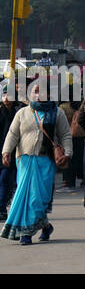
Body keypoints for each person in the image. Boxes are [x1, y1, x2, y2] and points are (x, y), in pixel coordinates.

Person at [1, 83, 72, 244]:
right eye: (35, 92)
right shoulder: (22, 113)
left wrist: (67, 153)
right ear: (29, 94)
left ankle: (40, 226)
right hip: (25, 161)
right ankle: (28, 232)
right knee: (25, 196)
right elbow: (12, 134)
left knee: (38, 198)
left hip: (46, 161)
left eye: (43, 92)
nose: (38, 95)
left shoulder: (57, 113)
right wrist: (6, 152)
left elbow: (66, 135)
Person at [0, 90, 18, 219]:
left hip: (11, 152)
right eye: (4, 95)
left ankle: (2, 207)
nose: (6, 98)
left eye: (9, 95)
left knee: (5, 180)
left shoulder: (19, 111)